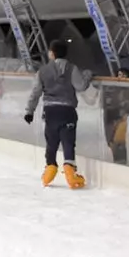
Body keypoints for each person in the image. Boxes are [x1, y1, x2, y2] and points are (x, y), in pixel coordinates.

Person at [23, 39, 93, 189]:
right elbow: (81, 85)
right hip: (67, 110)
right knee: (68, 142)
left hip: (50, 111)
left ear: (52, 54)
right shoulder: (71, 68)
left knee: (51, 141)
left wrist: (29, 111)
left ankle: (49, 169)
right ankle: (70, 170)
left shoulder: (42, 71)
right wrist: (88, 74)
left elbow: (35, 92)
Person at [100, 69, 129, 164]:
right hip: (112, 120)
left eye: (123, 75)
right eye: (119, 75)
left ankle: (122, 162)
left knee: (119, 144)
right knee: (114, 143)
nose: (120, 77)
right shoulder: (112, 90)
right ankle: (119, 162)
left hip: (123, 121)